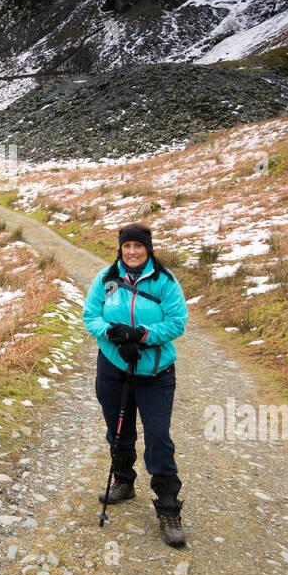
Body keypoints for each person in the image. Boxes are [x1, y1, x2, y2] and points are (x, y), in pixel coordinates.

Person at [82, 223, 189, 547]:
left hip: (155, 373)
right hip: (114, 368)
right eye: (126, 246)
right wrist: (113, 333)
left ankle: (168, 508)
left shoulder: (164, 281)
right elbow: (91, 316)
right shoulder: (107, 279)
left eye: (138, 247)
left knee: (158, 437)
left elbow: (177, 322)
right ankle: (124, 482)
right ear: (120, 248)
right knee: (118, 431)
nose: (132, 252)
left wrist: (141, 335)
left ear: (148, 248)